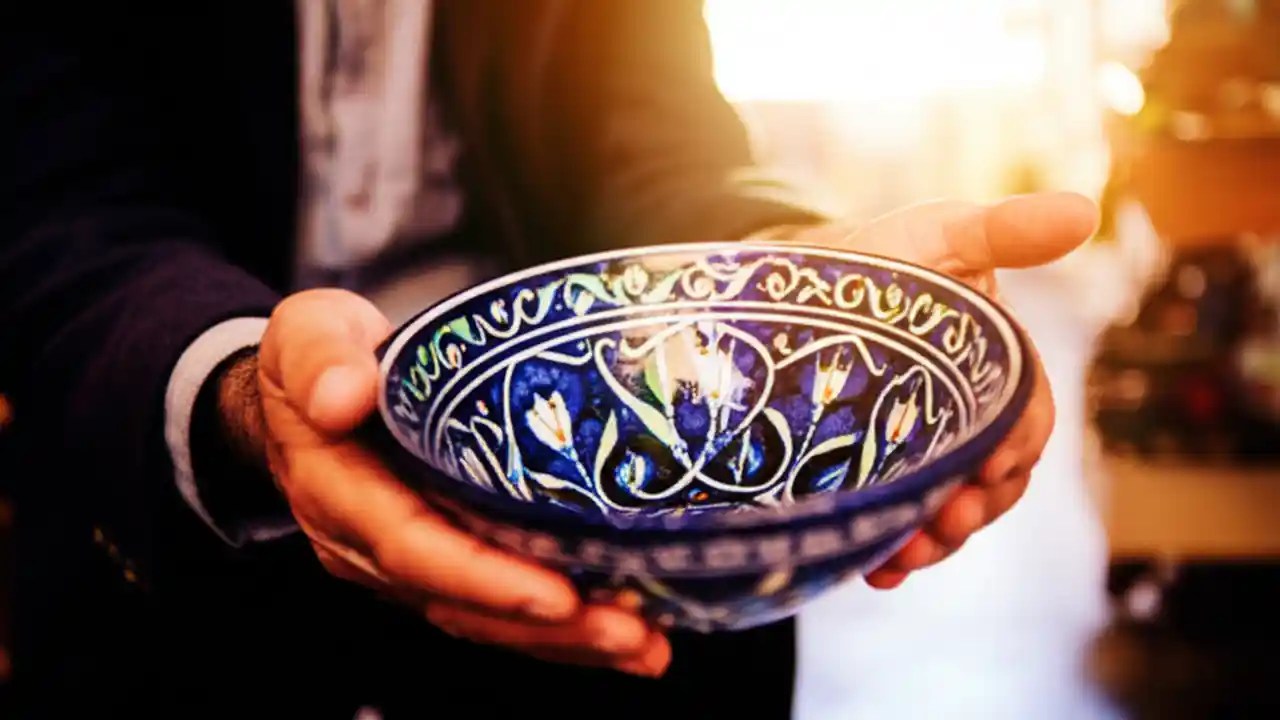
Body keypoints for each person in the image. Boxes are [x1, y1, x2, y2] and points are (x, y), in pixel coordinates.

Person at [0, 2, 1097, 717]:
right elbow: (62, 205)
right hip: (178, 569)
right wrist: (244, 394)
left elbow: (658, 144)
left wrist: (782, 275)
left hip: (624, 569)